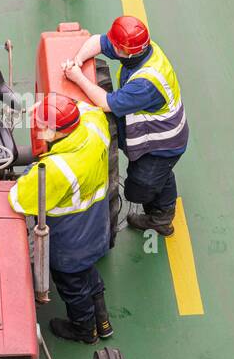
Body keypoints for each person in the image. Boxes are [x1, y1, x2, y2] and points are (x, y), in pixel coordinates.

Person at [62, 15, 187, 235]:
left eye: (116, 47)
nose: (112, 48)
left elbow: (105, 103)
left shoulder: (146, 83)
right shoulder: (140, 49)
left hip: (162, 144)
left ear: (128, 52)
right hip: (149, 130)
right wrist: (78, 60)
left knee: (139, 189)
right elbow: (97, 42)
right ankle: (161, 190)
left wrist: (78, 78)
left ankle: (161, 217)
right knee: (156, 177)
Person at [8, 93, 113, 343]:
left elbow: (18, 199)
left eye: (42, 126)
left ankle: (84, 330)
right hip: (96, 226)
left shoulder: (56, 169)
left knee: (73, 287)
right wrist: (52, 106)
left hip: (69, 243)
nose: (37, 130)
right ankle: (104, 321)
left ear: (55, 132)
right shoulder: (94, 126)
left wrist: (25, 174)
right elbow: (85, 108)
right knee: (88, 272)